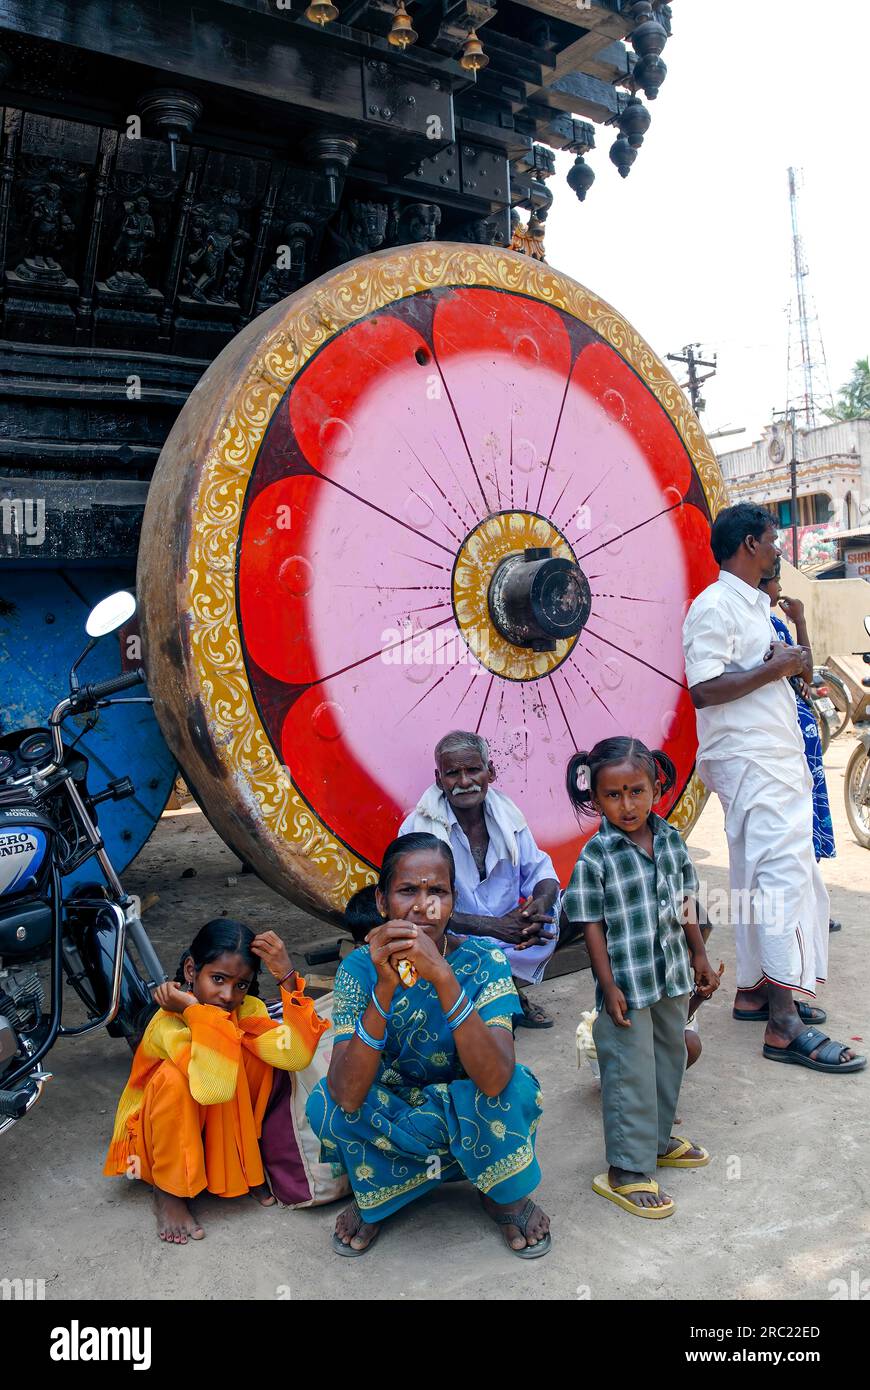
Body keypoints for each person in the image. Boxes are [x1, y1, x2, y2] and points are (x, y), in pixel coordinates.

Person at [682, 503, 865, 1074]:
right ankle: (784, 1026)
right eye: (770, 540)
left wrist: (781, 664)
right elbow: (704, 689)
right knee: (782, 877)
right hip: (752, 760)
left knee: (758, 875)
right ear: (747, 545)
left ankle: (756, 992)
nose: (777, 550)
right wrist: (779, 667)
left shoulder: (748, 604)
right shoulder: (714, 606)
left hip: (762, 757)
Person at [306, 833, 551, 1258]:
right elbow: (347, 1095)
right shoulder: (357, 970)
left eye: (437, 891)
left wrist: (442, 976)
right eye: (407, 891)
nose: (423, 907)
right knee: (325, 1102)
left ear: (454, 901)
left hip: (468, 1105)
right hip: (395, 1107)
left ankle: (496, 1192)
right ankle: (398, 1186)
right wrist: (384, 989)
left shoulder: (484, 962)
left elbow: (494, 1081)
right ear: (382, 902)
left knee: (516, 1088)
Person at [563, 738, 719, 1218]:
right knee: (629, 1070)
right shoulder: (595, 856)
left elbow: (686, 900)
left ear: (657, 788)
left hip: (671, 976)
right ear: (594, 798)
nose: (626, 805)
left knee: (668, 1058)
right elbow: (590, 926)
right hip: (627, 986)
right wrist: (607, 986)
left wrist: (699, 955)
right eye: (613, 795)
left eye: (637, 791)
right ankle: (625, 1169)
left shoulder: (670, 839)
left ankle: (655, 1141)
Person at [104, 919, 329, 1243]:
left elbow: (293, 1056)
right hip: (155, 1142)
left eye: (240, 984)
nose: (227, 995)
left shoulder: (247, 1009)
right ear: (191, 969)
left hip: (208, 1123)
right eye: (218, 979)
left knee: (258, 1058)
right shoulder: (166, 1022)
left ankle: (242, 1165)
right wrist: (195, 1011)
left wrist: (287, 977)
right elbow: (212, 1088)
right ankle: (168, 1190)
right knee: (176, 1078)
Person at [399, 731, 560, 1027]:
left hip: (511, 931)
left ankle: (506, 992)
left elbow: (541, 872)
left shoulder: (507, 816)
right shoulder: (419, 828)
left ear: (491, 771)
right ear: (439, 779)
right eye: (453, 773)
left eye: (473, 770)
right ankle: (478, 1001)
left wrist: (536, 907)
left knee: (553, 911)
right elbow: (416, 907)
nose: (464, 782)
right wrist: (494, 928)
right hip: (452, 934)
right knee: (424, 931)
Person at [758, 570, 838, 921]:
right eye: (776, 582)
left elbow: (806, 673)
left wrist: (800, 621)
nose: (780, 590)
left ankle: (810, 901)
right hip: (788, 734)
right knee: (795, 822)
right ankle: (802, 907)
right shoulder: (762, 624)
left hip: (801, 731)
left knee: (804, 817)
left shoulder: (777, 623)